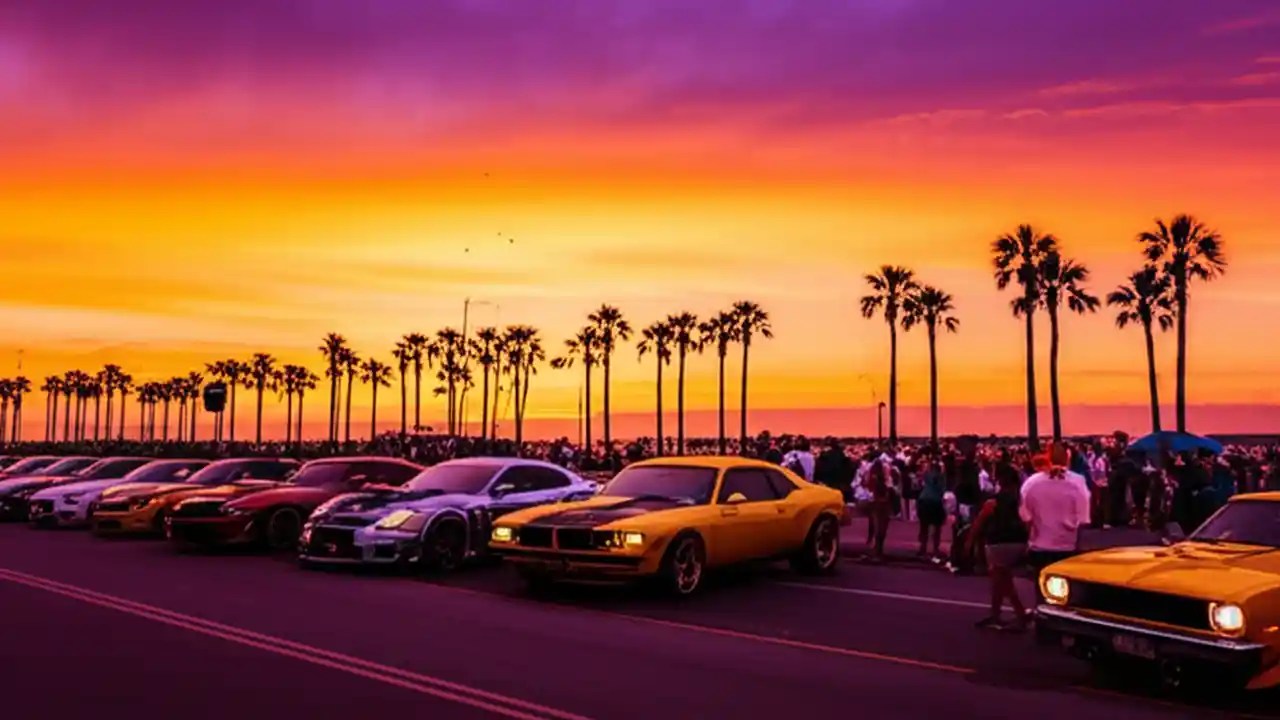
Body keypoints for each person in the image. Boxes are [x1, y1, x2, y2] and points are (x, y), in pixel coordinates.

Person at [1020, 443, 1091, 605]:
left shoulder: (1031, 483)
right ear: (1068, 458)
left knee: (1041, 591)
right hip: (1068, 546)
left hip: (1040, 545)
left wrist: (1030, 539)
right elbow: (1083, 518)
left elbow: (1025, 516)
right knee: (1067, 595)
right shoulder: (1078, 482)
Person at [969, 467, 1029, 630]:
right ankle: (995, 614)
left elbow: (979, 523)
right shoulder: (1021, 500)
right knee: (998, 580)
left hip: (998, 543)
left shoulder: (993, 502)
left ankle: (1020, 614)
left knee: (1002, 580)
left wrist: (969, 543)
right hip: (1019, 541)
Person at [916, 457, 947, 559]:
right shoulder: (942, 477)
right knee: (937, 527)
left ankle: (923, 548)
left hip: (924, 500)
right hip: (935, 501)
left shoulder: (926, 475)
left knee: (924, 526)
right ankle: (935, 549)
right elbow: (942, 489)